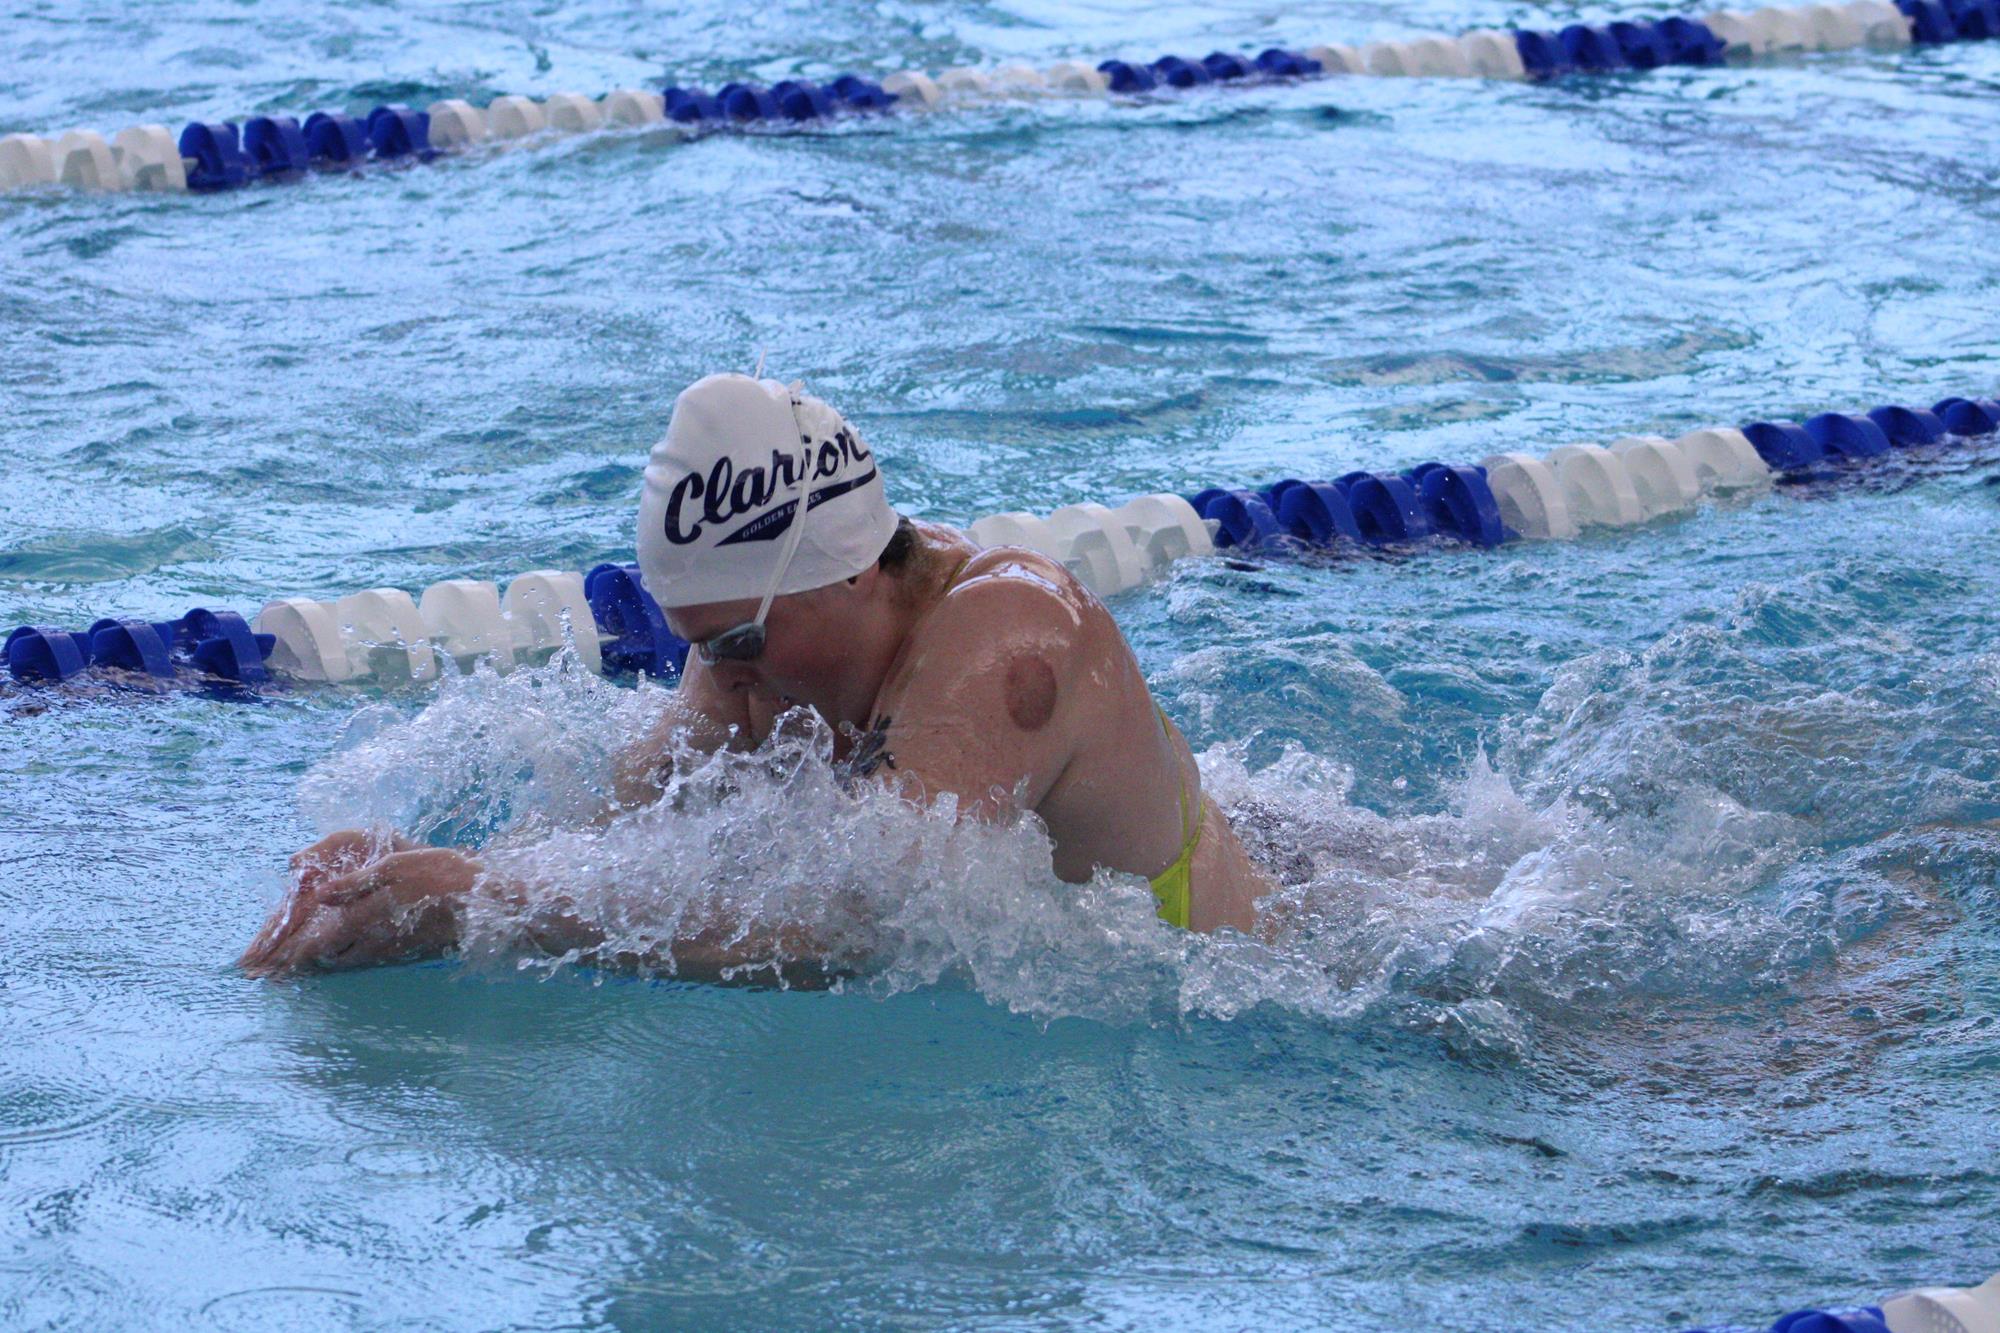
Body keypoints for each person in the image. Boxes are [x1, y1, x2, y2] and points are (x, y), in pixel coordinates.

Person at [240, 374, 1275, 980]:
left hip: (1224, 955)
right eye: (699, 645)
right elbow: (622, 835)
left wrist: (493, 905)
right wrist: (420, 882)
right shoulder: (758, 646)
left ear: (850, 571)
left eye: (736, 642)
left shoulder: (1007, 640)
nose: (726, 679)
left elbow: (867, 932)